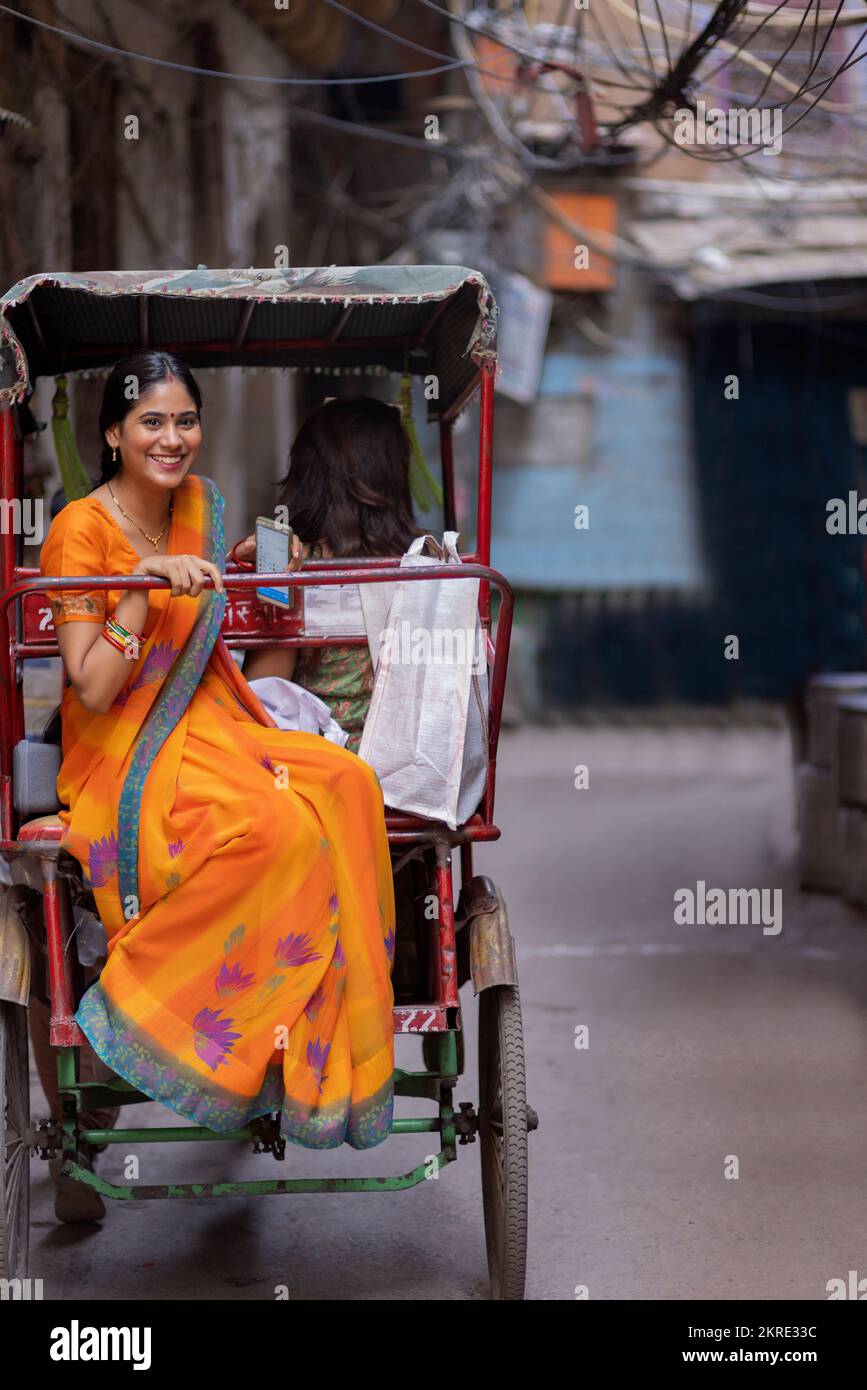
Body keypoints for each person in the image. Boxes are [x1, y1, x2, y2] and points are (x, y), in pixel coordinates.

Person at [37, 352, 397, 1222]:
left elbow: (208, 632)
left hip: (215, 721)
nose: (172, 438)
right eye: (151, 422)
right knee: (277, 829)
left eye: (185, 420)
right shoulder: (80, 531)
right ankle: (140, 1007)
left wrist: (232, 569)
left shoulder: (202, 508)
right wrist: (138, 596)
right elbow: (87, 687)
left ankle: (330, 1037)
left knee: (346, 783)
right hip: (128, 746)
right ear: (114, 434)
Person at [237, 396, 424, 751]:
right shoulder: (429, 565)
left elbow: (265, 695)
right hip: (410, 765)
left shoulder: (286, 558)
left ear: (307, 475)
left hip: (319, 770)